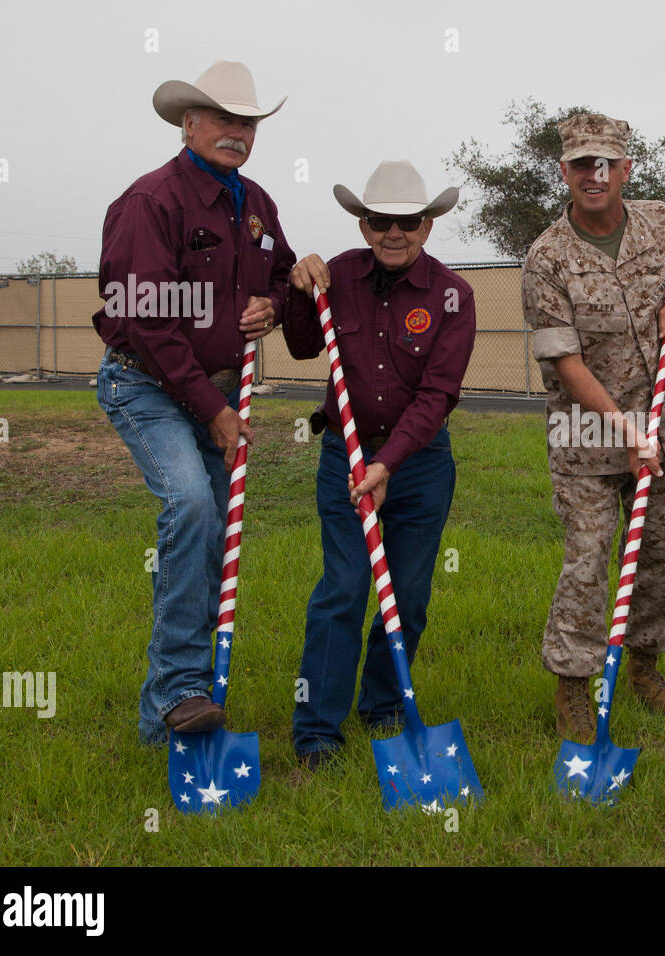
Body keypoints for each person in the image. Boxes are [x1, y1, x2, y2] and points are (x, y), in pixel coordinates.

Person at [93, 60, 294, 746]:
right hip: (146, 384)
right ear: (189, 123)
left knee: (210, 536)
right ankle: (180, 686)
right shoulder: (152, 202)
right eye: (224, 119)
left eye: (247, 123)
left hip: (215, 391)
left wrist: (276, 301)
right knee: (192, 505)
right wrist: (212, 408)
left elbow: (282, 279)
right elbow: (146, 320)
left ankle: (171, 712)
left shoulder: (257, 204)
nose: (237, 133)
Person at [522, 112, 665, 743]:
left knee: (660, 557)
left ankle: (646, 671)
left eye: (606, 163)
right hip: (590, 442)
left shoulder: (663, 223)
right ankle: (574, 689)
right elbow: (565, 363)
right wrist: (628, 433)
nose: (594, 174)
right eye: (581, 164)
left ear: (626, 169)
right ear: (565, 172)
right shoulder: (546, 259)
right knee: (588, 559)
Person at [283, 160, 476, 769]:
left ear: (427, 226)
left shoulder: (454, 296)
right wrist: (296, 287)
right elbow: (301, 344)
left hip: (418, 462)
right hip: (346, 451)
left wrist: (389, 463)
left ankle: (385, 707)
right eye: (381, 220)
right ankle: (317, 729)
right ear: (364, 225)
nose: (395, 232)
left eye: (408, 221)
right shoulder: (334, 275)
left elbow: (438, 395)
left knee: (409, 594)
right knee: (343, 587)